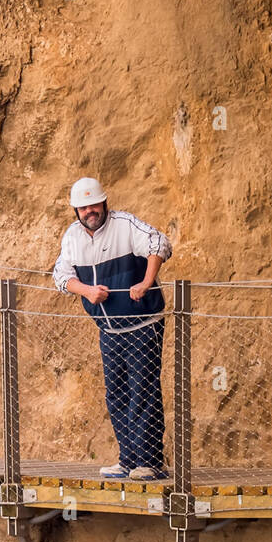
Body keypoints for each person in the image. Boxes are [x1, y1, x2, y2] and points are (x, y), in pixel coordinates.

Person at [53, 177, 173, 479]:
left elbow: (160, 243)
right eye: (83, 207)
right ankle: (129, 460)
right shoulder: (72, 237)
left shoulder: (124, 224)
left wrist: (146, 282)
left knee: (141, 390)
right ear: (76, 211)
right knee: (117, 394)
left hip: (143, 323)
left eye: (95, 204)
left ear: (105, 203)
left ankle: (150, 463)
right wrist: (86, 291)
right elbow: (60, 275)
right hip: (108, 330)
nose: (90, 211)